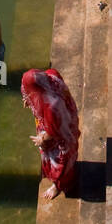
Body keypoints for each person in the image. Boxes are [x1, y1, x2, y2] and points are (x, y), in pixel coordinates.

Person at [21, 68, 80, 201]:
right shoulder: (51, 75)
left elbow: (54, 131)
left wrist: (42, 139)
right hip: (68, 119)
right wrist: (31, 101)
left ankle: (59, 185)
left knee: (60, 164)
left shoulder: (51, 108)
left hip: (61, 136)